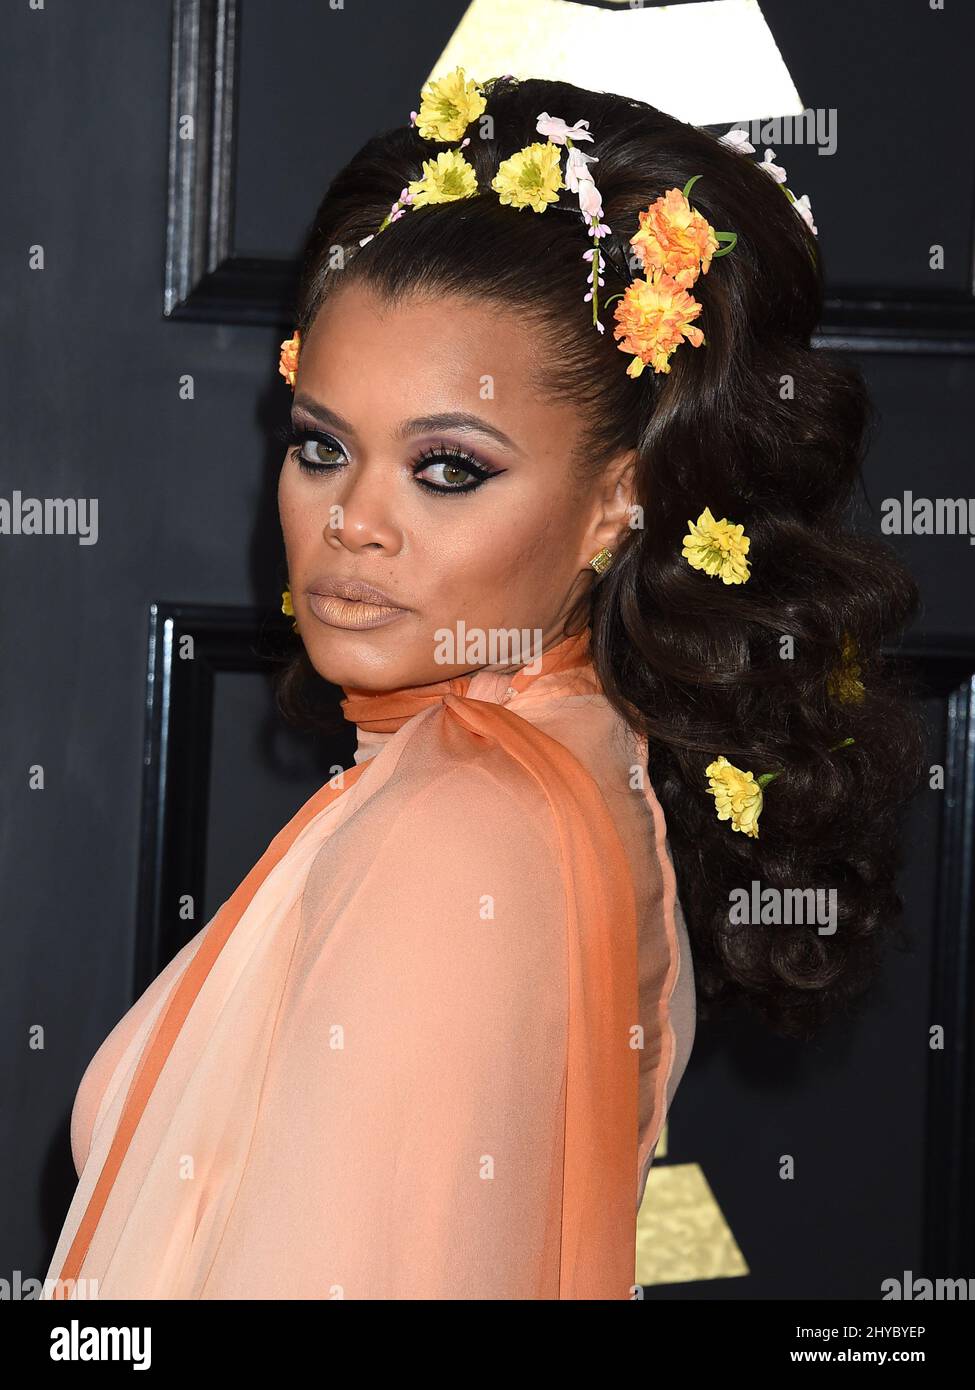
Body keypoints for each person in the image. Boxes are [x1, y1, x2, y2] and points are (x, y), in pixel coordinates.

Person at [42, 70, 923, 1301]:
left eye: (447, 467)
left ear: (621, 500)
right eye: (321, 445)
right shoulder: (577, 752)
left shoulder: (463, 824)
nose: (351, 523)